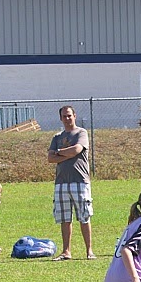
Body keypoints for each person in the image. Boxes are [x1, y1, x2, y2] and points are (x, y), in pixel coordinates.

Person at [48, 105, 95, 260]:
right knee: (64, 218)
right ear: (60, 118)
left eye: (69, 115)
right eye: (64, 116)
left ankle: (89, 251)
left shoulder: (81, 133)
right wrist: (67, 153)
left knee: (84, 216)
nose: (67, 119)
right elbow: (50, 158)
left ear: (74, 116)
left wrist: (60, 152)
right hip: (61, 182)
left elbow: (76, 150)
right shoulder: (57, 137)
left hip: (80, 181)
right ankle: (66, 251)